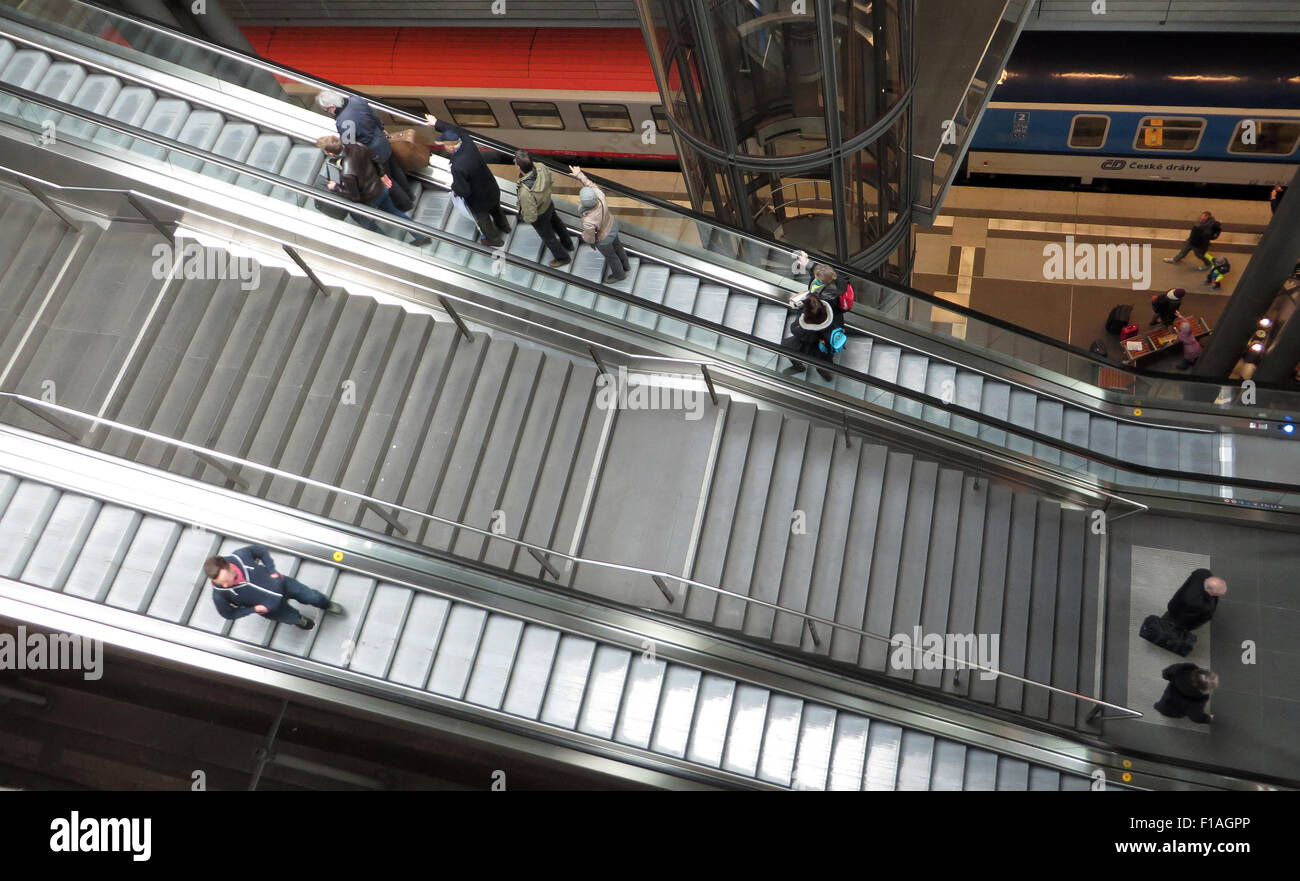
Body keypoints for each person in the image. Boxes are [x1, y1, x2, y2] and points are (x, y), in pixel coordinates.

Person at [316, 136, 430, 246]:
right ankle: (421, 236)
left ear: (331, 153)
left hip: (370, 197)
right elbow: (375, 158)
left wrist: (336, 187)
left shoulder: (347, 173)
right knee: (395, 213)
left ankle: (383, 241)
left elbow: (354, 196)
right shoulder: (357, 146)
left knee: (356, 214)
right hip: (380, 188)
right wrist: (381, 174)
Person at [316, 89, 414, 212]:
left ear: (332, 107)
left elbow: (351, 147)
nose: (328, 112)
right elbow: (374, 116)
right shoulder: (356, 100)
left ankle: (405, 204)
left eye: (326, 110)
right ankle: (410, 195)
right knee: (396, 170)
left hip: (374, 153)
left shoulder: (344, 122)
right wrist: (381, 129)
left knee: (388, 180)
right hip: (383, 141)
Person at [206, 544, 344, 630]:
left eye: (225, 580)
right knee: (291, 617)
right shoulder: (220, 595)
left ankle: (326, 604)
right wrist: (253, 609)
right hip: (270, 609)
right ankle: (300, 621)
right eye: (220, 582)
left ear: (229, 566)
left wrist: (272, 571)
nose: (224, 585)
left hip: (283, 584)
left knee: (312, 596)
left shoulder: (240, 556)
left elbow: (259, 550)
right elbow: (228, 614)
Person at [424, 114, 510, 246]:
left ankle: (494, 240)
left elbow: (464, 190)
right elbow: (457, 130)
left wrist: (454, 188)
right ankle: (505, 227)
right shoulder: (468, 143)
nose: (444, 147)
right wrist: (436, 123)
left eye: (444, 145)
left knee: (483, 219)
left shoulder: (458, 166)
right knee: (496, 208)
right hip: (491, 188)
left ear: (451, 147)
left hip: (479, 200)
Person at [570, 165, 630, 283]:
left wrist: (586, 239)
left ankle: (619, 275)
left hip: (604, 239)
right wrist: (579, 175)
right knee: (618, 247)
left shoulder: (588, 220)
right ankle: (626, 265)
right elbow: (591, 185)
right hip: (612, 226)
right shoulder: (600, 197)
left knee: (611, 256)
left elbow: (590, 237)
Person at [514, 150, 573, 267]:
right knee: (557, 223)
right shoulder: (540, 167)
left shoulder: (526, 192)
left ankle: (563, 258)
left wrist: (526, 218)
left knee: (549, 238)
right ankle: (568, 244)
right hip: (548, 203)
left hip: (540, 216)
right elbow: (551, 180)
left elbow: (531, 216)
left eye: (515, 162)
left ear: (519, 167)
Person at [782, 295, 843, 381]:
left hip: (803, 346)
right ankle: (826, 375)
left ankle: (798, 367)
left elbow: (793, 328)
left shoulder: (804, 329)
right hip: (823, 349)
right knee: (823, 364)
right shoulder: (831, 311)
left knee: (787, 348)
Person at [1153, 663, 1217, 723]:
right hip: (1174, 712)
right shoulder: (1197, 700)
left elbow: (1167, 672)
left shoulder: (1183, 669)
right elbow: (1195, 716)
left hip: (1165, 703)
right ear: (1203, 690)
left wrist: (1167, 677)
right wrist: (1207, 718)